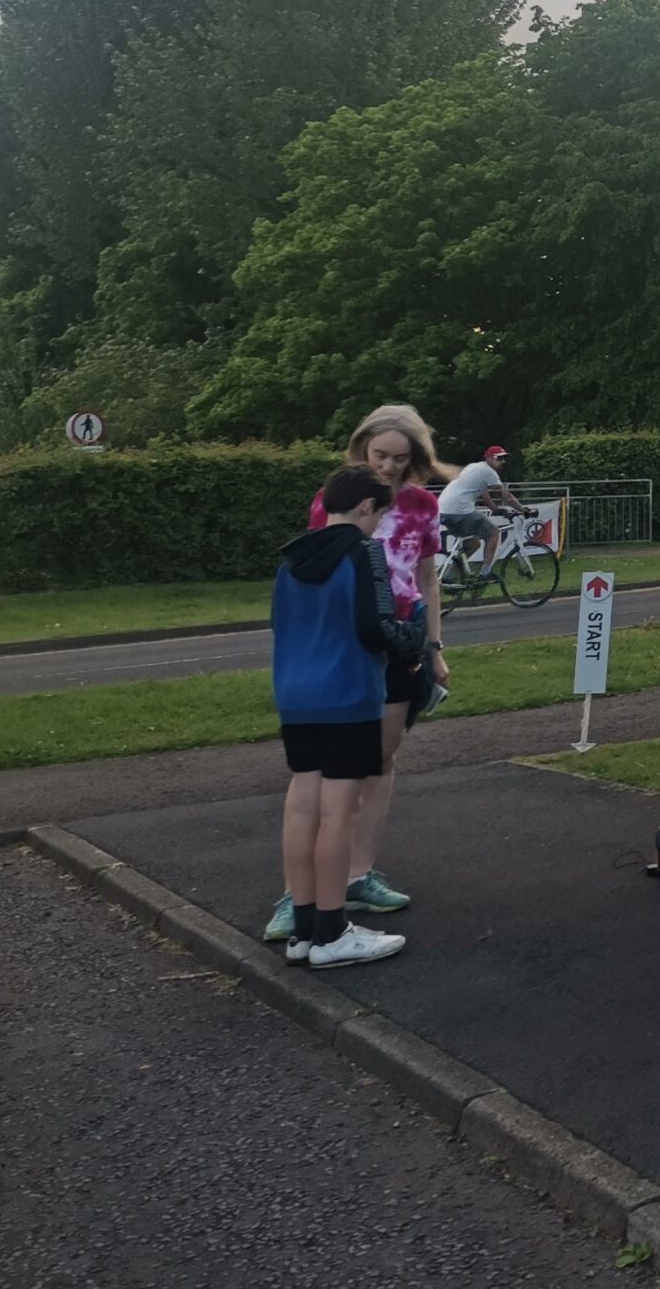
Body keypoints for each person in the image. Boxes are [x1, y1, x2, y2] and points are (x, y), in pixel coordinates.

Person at [265, 403, 449, 946]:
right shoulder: (337, 505)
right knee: (332, 780)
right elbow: (324, 576)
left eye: (400, 457)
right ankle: (307, 902)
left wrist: (433, 646)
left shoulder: (421, 506)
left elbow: (427, 578)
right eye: (380, 456)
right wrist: (406, 642)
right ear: (361, 452)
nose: (390, 466)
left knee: (380, 758)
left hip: (388, 637)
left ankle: (355, 876)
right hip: (356, 645)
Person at [438, 444, 526, 577]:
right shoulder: (488, 472)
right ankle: (485, 573)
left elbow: (483, 493)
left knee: (472, 544)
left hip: (443, 510)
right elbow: (506, 496)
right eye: (499, 458)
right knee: (493, 533)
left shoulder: (473, 467)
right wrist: (523, 509)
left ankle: (449, 578)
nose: (502, 461)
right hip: (459, 510)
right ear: (489, 458)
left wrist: (495, 509)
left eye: (504, 459)